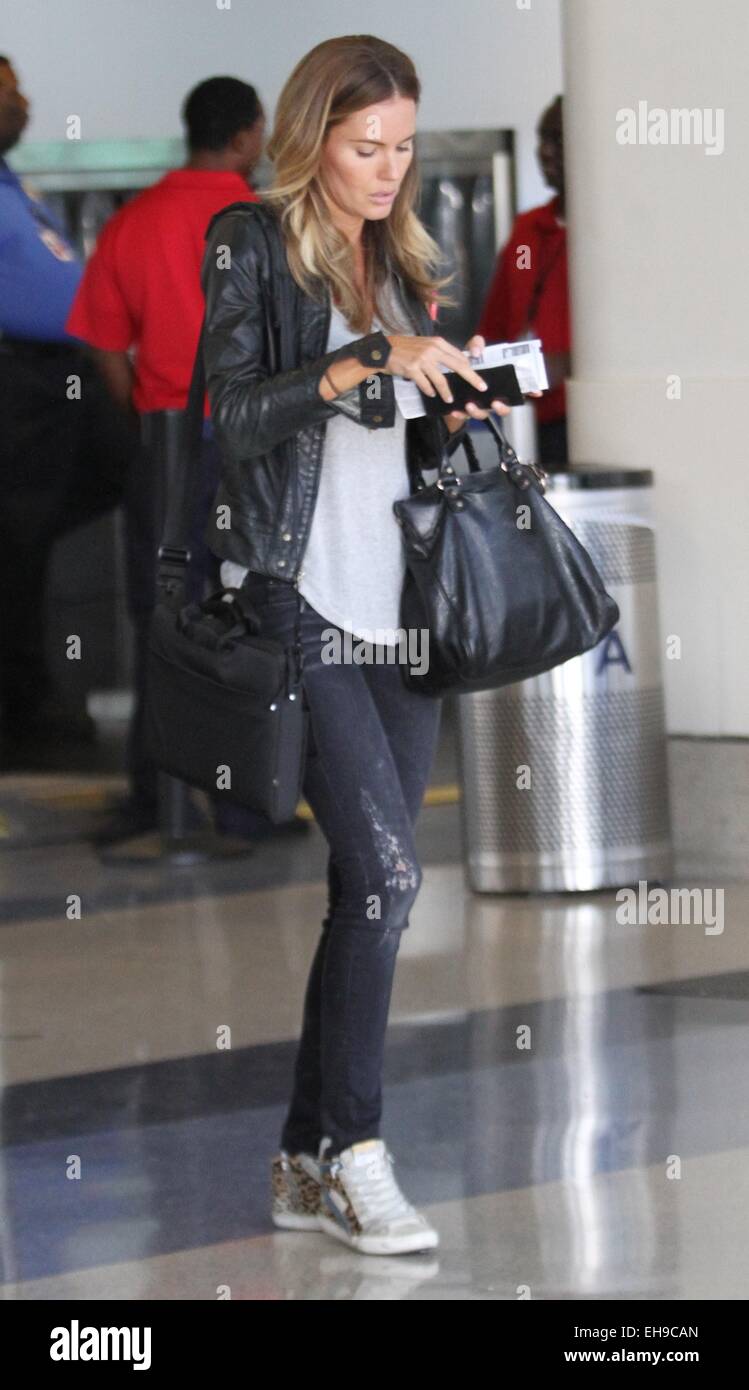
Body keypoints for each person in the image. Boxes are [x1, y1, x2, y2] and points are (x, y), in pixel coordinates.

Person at [201, 35, 536, 1256]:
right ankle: (354, 1153)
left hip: (407, 613)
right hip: (304, 601)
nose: (387, 169)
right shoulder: (250, 241)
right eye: (363, 148)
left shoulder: (397, 253)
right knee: (393, 880)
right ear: (310, 138)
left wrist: (460, 396)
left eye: (401, 145)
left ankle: (300, 1158)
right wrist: (366, 358)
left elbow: (395, 440)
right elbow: (233, 415)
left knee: (366, 887)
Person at [65, 76, 291, 844]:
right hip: (251, 449)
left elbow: (100, 341)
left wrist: (145, 409)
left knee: (163, 619)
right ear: (247, 136)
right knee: (251, 617)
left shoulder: (134, 221)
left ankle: (155, 799)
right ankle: (244, 803)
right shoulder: (265, 225)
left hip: (165, 443)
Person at [0, 55, 132, 756]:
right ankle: (23, 717)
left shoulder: (12, 187)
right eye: (8, 92)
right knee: (16, 551)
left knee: (32, 544)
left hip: (54, 387)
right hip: (15, 386)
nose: (22, 103)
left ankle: (28, 704)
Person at [477, 95, 570, 468]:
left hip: (584, 415)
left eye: (558, 140)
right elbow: (493, 330)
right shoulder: (528, 228)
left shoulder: (612, 234)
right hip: (521, 416)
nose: (544, 152)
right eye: (541, 139)